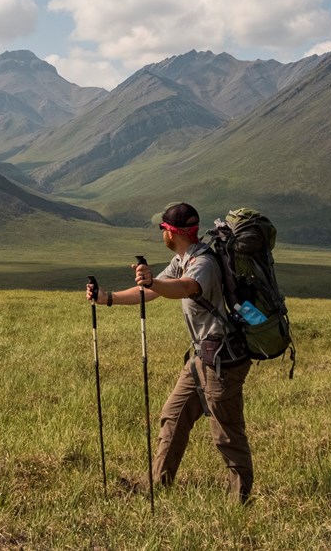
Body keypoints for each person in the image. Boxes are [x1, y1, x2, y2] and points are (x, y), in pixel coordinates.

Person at [85, 202, 254, 503]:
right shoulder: (183, 258)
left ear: (172, 232)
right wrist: (105, 298)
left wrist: (156, 282)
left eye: (163, 228)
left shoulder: (203, 263)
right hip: (200, 359)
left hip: (222, 362)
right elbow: (150, 291)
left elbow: (185, 287)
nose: (161, 233)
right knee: (173, 417)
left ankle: (240, 499)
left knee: (227, 433)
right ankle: (156, 486)